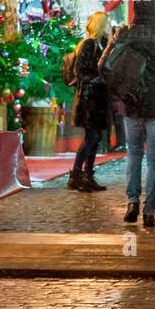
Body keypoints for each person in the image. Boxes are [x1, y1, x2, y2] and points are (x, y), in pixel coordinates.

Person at [98, 0, 155, 230]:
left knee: (134, 154)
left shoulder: (125, 35)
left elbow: (103, 65)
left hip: (131, 103)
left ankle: (132, 202)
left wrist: (118, 88)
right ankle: (150, 210)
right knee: (154, 159)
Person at [69, 11, 111, 192]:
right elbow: (80, 72)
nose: (109, 27)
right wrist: (99, 79)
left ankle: (88, 175)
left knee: (96, 137)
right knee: (91, 137)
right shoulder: (88, 44)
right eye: (106, 24)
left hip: (99, 97)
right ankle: (76, 175)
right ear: (100, 25)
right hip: (89, 98)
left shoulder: (101, 44)